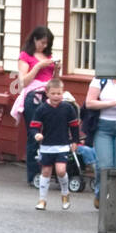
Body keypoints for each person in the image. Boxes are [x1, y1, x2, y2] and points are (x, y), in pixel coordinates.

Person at [10, 27, 57, 186]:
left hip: (49, 93)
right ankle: (33, 174)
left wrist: (57, 69)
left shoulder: (48, 56)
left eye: (47, 43)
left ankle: (49, 169)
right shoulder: (25, 56)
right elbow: (24, 82)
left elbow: (54, 78)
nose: (44, 46)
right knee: (34, 133)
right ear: (34, 40)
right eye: (42, 42)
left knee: (51, 132)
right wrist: (38, 66)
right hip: (33, 95)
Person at [30, 78, 80, 211]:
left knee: (61, 170)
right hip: (46, 145)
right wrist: (36, 134)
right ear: (47, 93)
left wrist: (75, 141)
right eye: (53, 93)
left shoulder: (68, 108)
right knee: (45, 171)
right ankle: (42, 200)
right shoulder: (42, 109)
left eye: (59, 93)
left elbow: (74, 126)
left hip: (63, 145)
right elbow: (34, 126)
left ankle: (65, 194)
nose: (56, 96)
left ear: (62, 93)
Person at [86, 74, 116, 210]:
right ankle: (100, 195)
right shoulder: (100, 80)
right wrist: (113, 103)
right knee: (105, 165)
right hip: (103, 127)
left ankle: (115, 200)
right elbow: (89, 102)